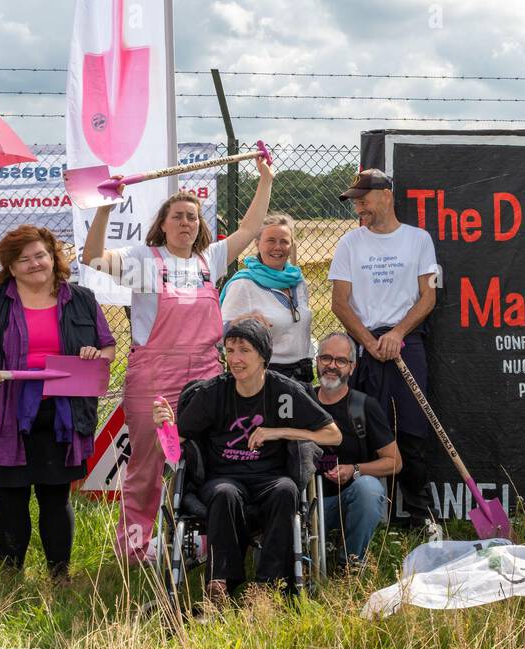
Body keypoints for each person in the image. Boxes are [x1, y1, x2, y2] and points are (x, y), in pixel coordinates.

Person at [83, 156, 274, 561]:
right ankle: (134, 549)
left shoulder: (212, 260)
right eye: (178, 217)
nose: (186, 223)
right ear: (163, 224)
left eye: (193, 217)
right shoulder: (143, 260)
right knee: (148, 466)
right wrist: (104, 208)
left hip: (205, 375)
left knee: (207, 458)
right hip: (154, 377)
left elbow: (250, 228)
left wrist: (265, 179)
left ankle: (201, 540)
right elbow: (93, 258)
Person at [0, 226, 115, 578]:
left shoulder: (82, 299)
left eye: (39, 255)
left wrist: (94, 355)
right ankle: (10, 576)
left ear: (53, 257)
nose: (33, 264)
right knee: (10, 498)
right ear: (10, 268)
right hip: (5, 412)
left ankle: (60, 575)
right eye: (22, 259)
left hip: (63, 412)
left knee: (55, 497)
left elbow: (108, 347)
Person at [152, 319, 340, 600]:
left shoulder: (284, 391)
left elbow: (332, 435)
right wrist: (163, 428)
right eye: (230, 351)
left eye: (244, 350)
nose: (235, 359)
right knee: (225, 493)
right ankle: (219, 586)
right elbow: (171, 452)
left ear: (263, 355)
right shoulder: (213, 393)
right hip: (223, 478)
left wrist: (279, 432)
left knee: (287, 490)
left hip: (270, 478)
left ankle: (268, 589)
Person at [328, 168, 438, 526]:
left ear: (387, 195)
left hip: (407, 342)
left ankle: (418, 515)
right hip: (366, 344)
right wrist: (369, 341)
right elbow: (339, 302)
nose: (358, 205)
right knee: (365, 427)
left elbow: (428, 297)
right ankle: (372, 514)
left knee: (412, 426)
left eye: (364, 198)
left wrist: (398, 335)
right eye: (355, 201)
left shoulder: (418, 239)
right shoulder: (349, 244)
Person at [310, 332, 401, 569]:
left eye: (340, 361)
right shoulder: (303, 401)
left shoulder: (364, 406)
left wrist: (355, 470)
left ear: (352, 367)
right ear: (317, 361)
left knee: (369, 488)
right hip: (308, 503)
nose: (332, 366)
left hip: (349, 501)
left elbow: (394, 462)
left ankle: (350, 564)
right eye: (326, 358)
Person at [219, 213, 314, 384]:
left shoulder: (298, 282)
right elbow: (219, 334)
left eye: (284, 241)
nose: (278, 247)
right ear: (257, 243)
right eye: (271, 240)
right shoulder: (244, 284)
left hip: (302, 374)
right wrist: (240, 323)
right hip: (264, 377)